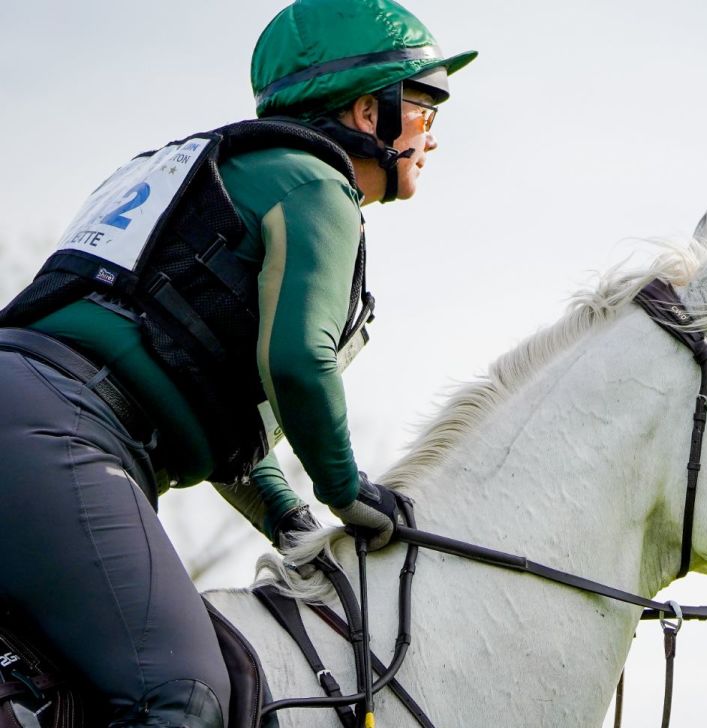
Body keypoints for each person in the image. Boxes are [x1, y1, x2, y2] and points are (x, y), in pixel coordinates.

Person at [0, 0, 475, 725]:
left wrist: (290, 518)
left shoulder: (207, 176)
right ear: (364, 109)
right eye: (423, 109)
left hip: (35, 413)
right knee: (181, 696)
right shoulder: (317, 186)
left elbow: (195, 394)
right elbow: (297, 362)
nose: (432, 138)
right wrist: (350, 493)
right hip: (60, 432)